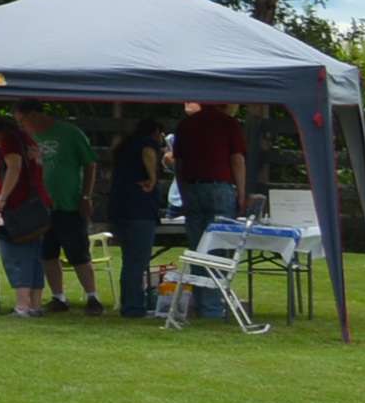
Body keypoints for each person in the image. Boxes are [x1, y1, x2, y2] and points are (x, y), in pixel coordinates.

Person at [172, 98, 251, 323]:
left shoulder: (185, 125)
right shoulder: (228, 124)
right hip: (219, 186)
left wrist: (184, 190)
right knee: (219, 247)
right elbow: (237, 159)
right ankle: (213, 307)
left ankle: (201, 302)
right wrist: (241, 192)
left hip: (192, 187)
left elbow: (178, 163)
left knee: (197, 247)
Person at [98, 105, 175, 324]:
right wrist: (152, 177)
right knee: (137, 261)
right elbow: (148, 152)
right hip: (139, 211)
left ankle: (129, 303)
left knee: (129, 260)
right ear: (155, 132)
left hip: (118, 210)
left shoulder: (123, 147)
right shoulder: (146, 143)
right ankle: (133, 306)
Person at [0, 104, 54, 320]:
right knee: (34, 255)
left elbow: (14, 166)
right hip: (37, 206)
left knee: (15, 254)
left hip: (17, 207)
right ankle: (35, 304)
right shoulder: (28, 139)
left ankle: (22, 305)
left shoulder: (10, 141)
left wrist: (2, 197)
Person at [32, 100, 102, 314]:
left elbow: (90, 163)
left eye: (23, 119)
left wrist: (86, 195)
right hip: (42, 205)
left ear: (35, 114)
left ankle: (92, 297)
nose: (22, 124)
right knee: (47, 253)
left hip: (70, 202)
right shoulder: (29, 137)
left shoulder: (70, 133)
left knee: (78, 252)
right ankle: (58, 297)